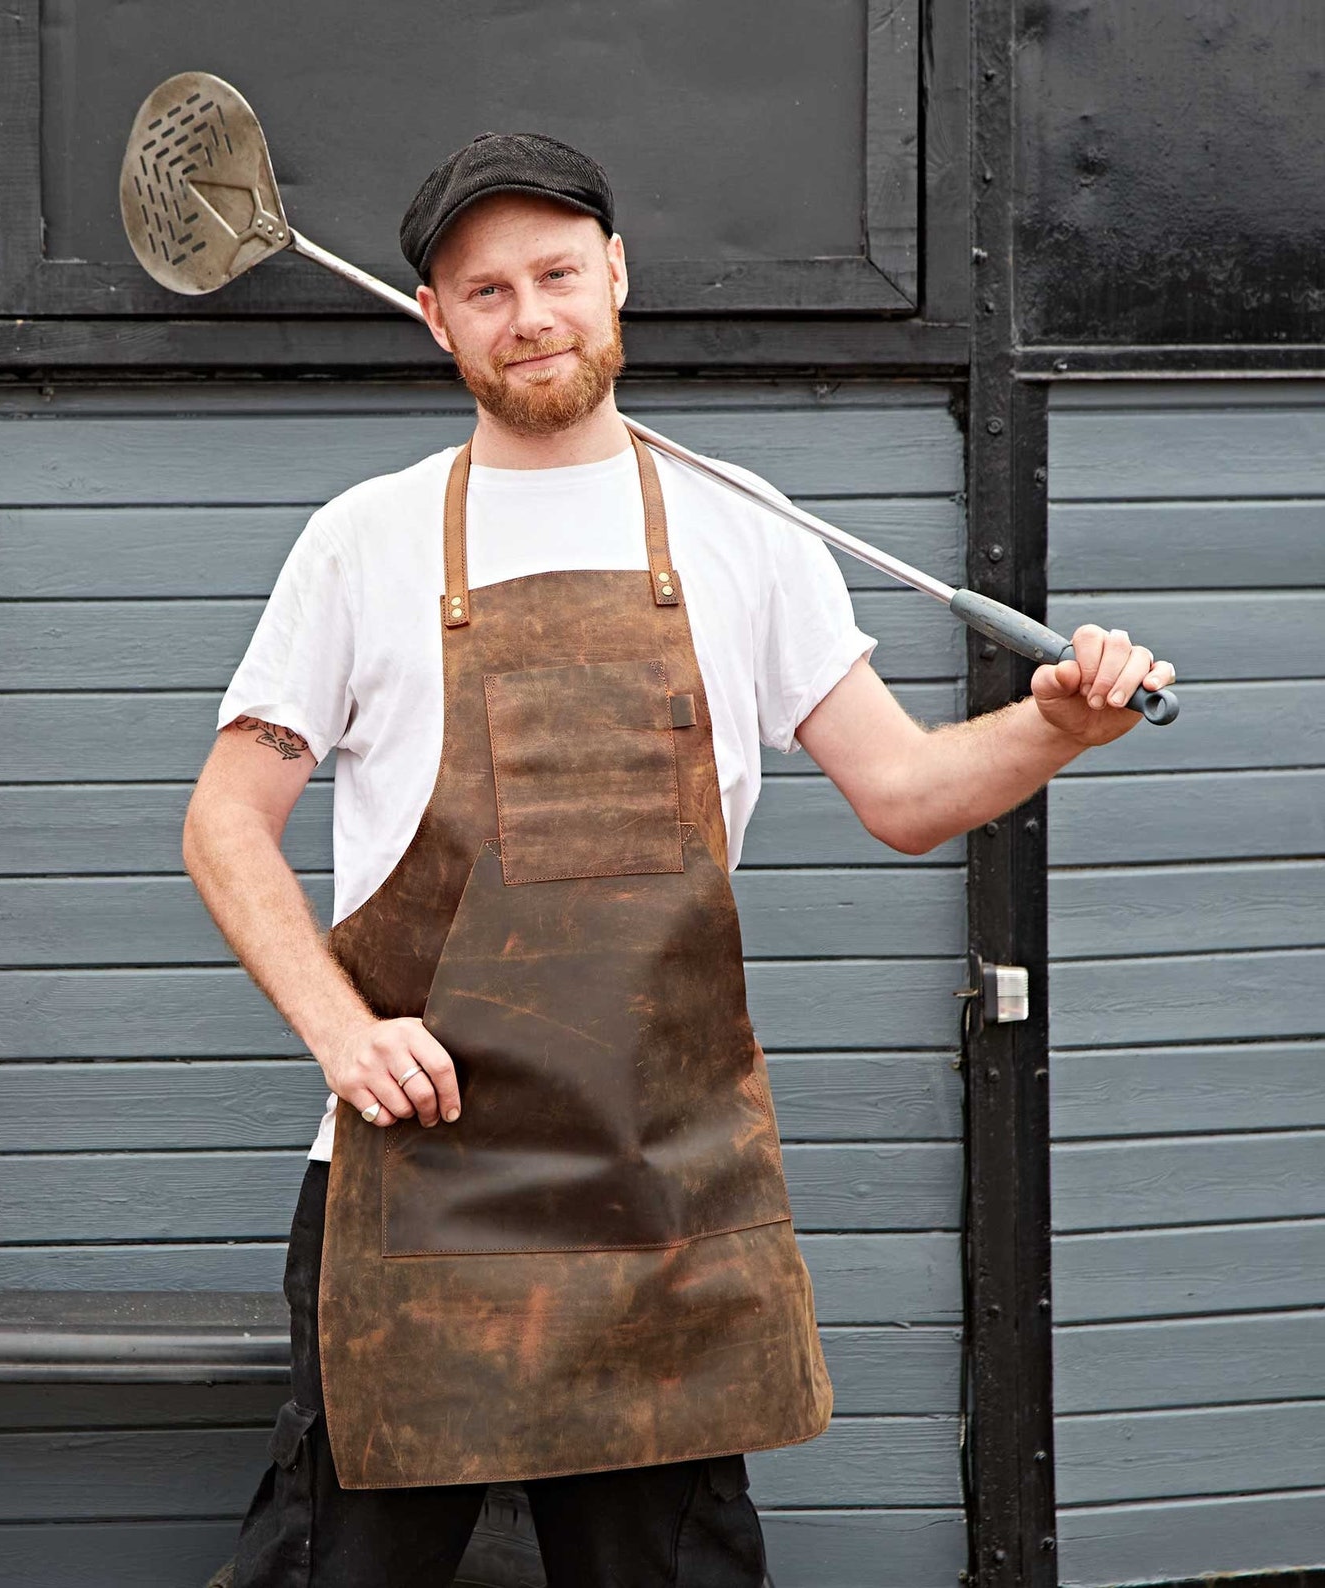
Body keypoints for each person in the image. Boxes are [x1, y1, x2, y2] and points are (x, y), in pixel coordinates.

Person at [183, 131, 1176, 1588]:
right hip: (412, 1184)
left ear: (616, 274)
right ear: (435, 319)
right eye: (486, 291)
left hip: (660, 1191)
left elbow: (904, 792)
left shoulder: (743, 528)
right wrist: (341, 1029)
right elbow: (225, 821)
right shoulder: (361, 542)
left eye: (556, 275)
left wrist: (1054, 728)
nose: (530, 316)